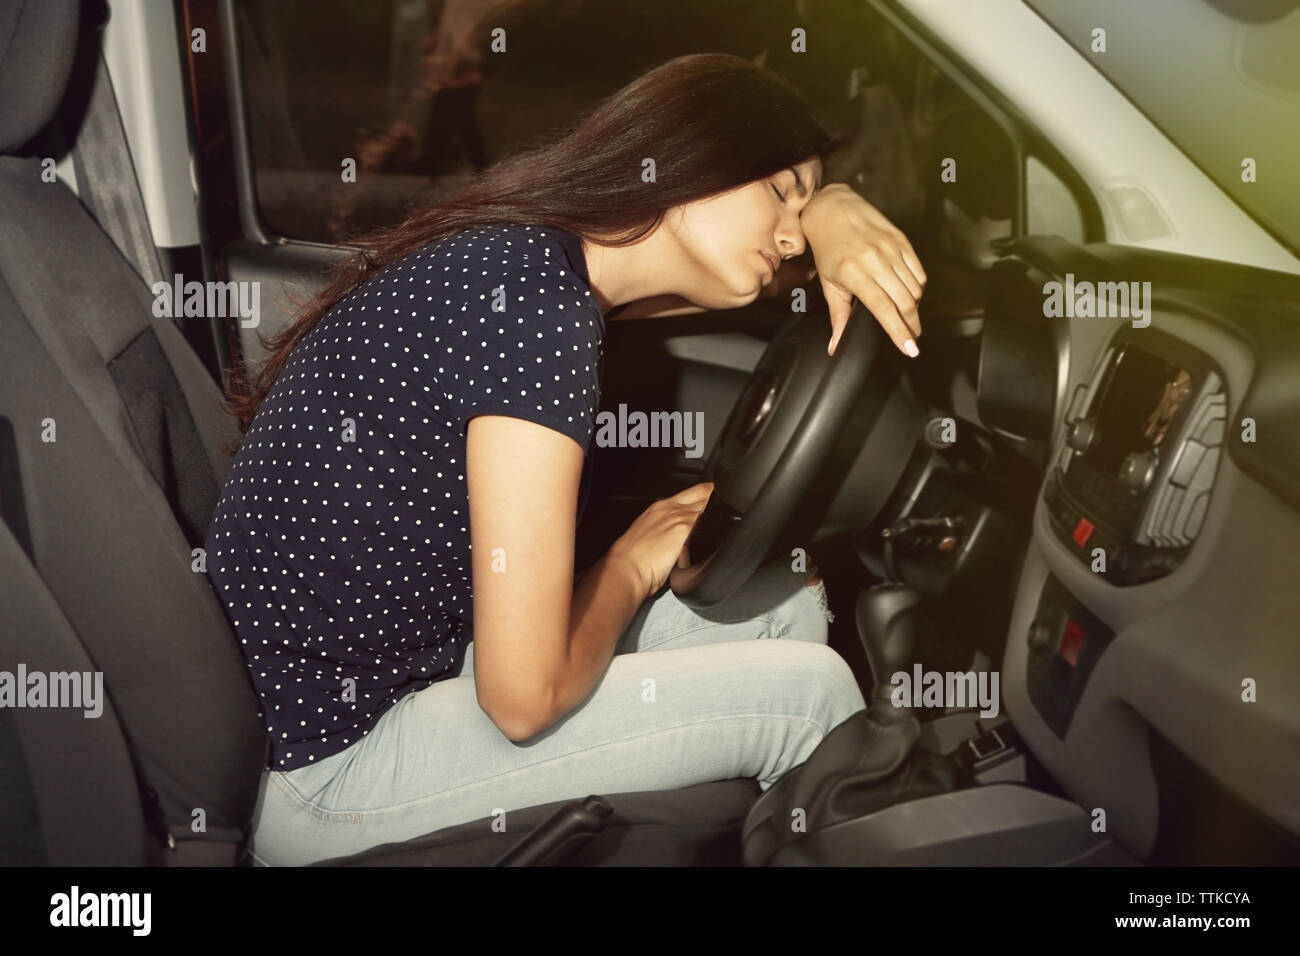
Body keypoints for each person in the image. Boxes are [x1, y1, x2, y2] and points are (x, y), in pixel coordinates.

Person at [207, 53, 926, 866]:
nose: (793, 235)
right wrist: (627, 565)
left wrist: (829, 203)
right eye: (779, 192)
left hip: (363, 690)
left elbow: (768, 272)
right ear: (689, 153)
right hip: (325, 769)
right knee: (812, 696)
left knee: (775, 607)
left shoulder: (526, 259)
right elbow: (521, 699)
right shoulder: (540, 315)